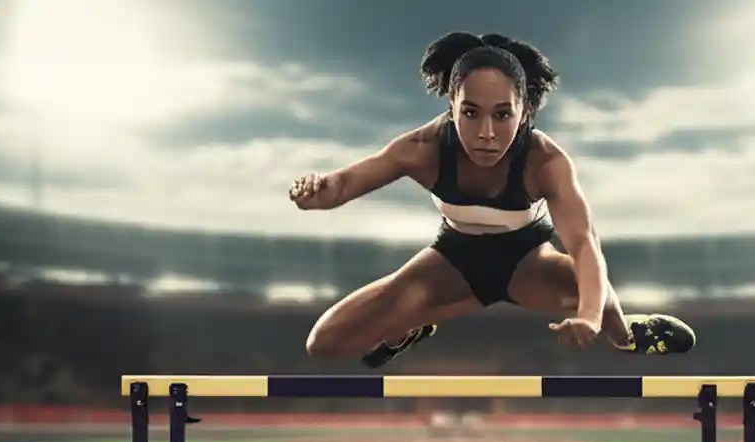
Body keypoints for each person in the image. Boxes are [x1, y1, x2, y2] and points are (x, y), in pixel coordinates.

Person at [288, 31, 696, 368]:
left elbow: (584, 245)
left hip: (528, 265)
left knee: (599, 297)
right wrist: (316, 192)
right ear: (451, 107)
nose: (486, 133)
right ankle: (415, 322)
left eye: (502, 114)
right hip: (450, 264)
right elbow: (342, 185)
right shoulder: (422, 148)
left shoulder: (546, 161)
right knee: (324, 344)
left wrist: (588, 318)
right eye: (471, 113)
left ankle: (628, 336)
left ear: (524, 111)